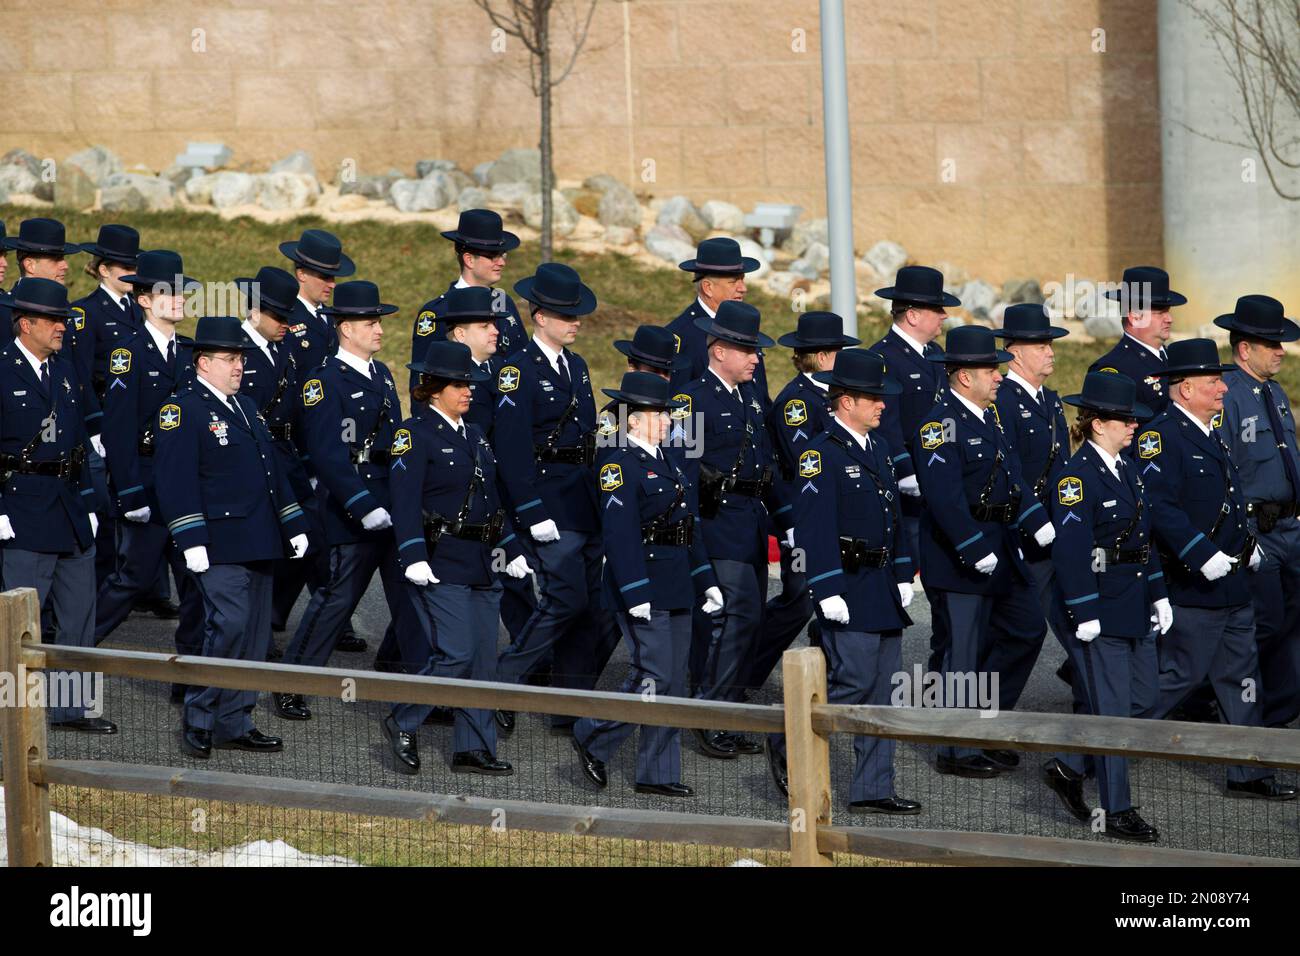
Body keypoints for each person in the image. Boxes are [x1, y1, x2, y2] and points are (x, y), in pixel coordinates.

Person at [1139, 338, 1296, 800]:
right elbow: (1159, 506)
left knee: (1242, 678)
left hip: (1233, 584)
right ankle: (1081, 757)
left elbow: (1228, 504)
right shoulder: (1161, 437)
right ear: (1185, 388)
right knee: (1176, 678)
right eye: (1213, 382)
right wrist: (1199, 552)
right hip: (1194, 585)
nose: (1223, 389)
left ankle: (1248, 773)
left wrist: (1246, 548)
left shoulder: (1209, 431)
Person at [765, 349, 920, 815]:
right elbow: (813, 527)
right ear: (845, 401)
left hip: (880, 586)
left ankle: (873, 787)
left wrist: (902, 571)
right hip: (847, 585)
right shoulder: (819, 454)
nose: (882, 406)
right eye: (873, 398)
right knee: (850, 682)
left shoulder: (879, 449)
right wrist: (826, 588)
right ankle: (788, 742)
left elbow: (894, 518)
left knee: (883, 687)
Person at [155, 316, 309, 759]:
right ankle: (200, 717)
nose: (238, 366)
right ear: (202, 362)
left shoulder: (245, 407)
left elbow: (271, 474)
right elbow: (174, 479)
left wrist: (293, 524)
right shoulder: (183, 410)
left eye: (240, 357)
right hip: (218, 543)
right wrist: (190, 538)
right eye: (228, 358)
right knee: (228, 627)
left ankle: (235, 720)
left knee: (255, 636)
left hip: (258, 538)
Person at [381, 341, 532, 776]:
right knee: (455, 653)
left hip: (482, 561)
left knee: (484, 657)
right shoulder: (414, 433)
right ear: (433, 388)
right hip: (439, 559)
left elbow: (491, 503)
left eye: (469, 383)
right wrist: (412, 554)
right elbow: (404, 500)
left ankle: (473, 747)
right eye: (459, 384)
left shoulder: (475, 434)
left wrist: (512, 549)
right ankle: (404, 718)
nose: (468, 390)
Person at [570, 372, 722, 796]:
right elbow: (619, 535)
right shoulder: (618, 463)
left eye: (668, 415)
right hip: (641, 584)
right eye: (658, 415)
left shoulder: (670, 460)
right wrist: (635, 592)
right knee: (651, 674)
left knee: (672, 681)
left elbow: (687, 526)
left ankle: (657, 773)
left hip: (675, 580)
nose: (667, 422)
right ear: (633, 420)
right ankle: (593, 733)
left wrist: (705, 579)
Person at [912, 326, 1053, 778]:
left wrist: (1040, 523)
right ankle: (956, 746)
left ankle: (984, 725)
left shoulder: (986, 417)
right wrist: (971, 547)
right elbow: (944, 496)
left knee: (1027, 629)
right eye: (989, 369)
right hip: (960, 556)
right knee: (962, 652)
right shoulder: (938, 424)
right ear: (963, 376)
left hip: (1004, 547)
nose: (999, 375)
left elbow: (1012, 478)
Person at [276, 282, 420, 720]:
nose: (379, 330)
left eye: (379, 322)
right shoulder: (324, 382)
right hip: (350, 507)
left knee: (410, 596)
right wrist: (361, 503)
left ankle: (415, 683)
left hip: (390, 503)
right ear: (345, 329)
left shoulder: (381, 375)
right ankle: (290, 684)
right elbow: (327, 455)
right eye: (370, 323)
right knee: (336, 600)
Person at [493, 263, 618, 735]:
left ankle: (570, 701)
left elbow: (588, 435)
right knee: (563, 599)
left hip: (581, 497)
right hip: (546, 497)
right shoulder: (516, 371)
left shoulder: (577, 366)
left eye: (578, 314)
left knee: (589, 604)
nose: (576, 322)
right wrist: (529, 509)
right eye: (567, 314)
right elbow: (511, 446)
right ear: (540, 316)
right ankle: (502, 681)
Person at [1046, 371, 1168, 842]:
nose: (1133, 426)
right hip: (1098, 605)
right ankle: (1117, 810)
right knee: (1114, 710)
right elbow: (1070, 550)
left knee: (1144, 698)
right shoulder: (1075, 478)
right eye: (1123, 419)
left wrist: (1158, 593)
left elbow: (1145, 540)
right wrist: (1084, 610)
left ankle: (1069, 765)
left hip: (1132, 601)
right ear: (1098, 424)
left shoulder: (1128, 469)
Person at [0, 278, 115, 733]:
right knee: (22, 624)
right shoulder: (3, 369)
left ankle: (72, 709)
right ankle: (15, 716)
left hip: (68, 508)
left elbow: (79, 443)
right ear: (26, 324)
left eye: (63, 320)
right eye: (53, 321)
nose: (62, 328)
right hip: (21, 509)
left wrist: (89, 499)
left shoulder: (65, 370)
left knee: (77, 616)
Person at [680, 300, 782, 759]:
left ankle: (729, 712)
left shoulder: (750, 397)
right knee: (731, 620)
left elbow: (768, 466)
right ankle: (709, 714)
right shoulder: (693, 400)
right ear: (719, 350)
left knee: (749, 621)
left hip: (750, 523)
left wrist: (789, 523)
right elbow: (682, 474)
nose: (756, 358)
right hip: (717, 524)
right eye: (747, 350)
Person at [94, 251, 204, 667]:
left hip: (184, 484)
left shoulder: (189, 352)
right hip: (146, 477)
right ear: (143, 299)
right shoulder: (130, 353)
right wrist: (130, 491)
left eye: (180, 292)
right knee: (132, 579)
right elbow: (117, 430)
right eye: (166, 292)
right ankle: (72, 653)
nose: (178, 299)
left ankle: (188, 677)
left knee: (194, 582)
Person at [745, 311, 860, 696]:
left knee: (826, 600)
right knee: (798, 599)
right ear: (824, 356)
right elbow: (807, 463)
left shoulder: (830, 397)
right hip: (803, 518)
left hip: (838, 516)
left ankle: (824, 674)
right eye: (839, 350)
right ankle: (744, 675)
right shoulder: (798, 403)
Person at [985, 303, 1074, 763]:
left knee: (1073, 619)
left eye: (1051, 343)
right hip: (1019, 534)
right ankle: (982, 725)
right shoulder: (1004, 401)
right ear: (1014, 351)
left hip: (1054, 531)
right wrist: (1034, 520)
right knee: (1020, 630)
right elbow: (1009, 471)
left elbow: (1060, 467)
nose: (1050, 352)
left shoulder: (1049, 400)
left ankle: (1089, 699)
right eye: (1041, 345)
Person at [1217, 295, 1300, 728]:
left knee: (1291, 622)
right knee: (1263, 624)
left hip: (1291, 527)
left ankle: (1280, 713)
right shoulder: (1227, 394)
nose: (1282, 350)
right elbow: (1222, 469)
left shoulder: (1277, 392)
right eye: (1272, 343)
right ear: (1245, 348)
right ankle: (1236, 708)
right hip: (1257, 530)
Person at [234, 266, 320, 644]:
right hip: (252, 457)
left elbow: (297, 407)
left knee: (311, 535)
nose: (286, 323)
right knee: (263, 547)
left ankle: (271, 616)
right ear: (255, 312)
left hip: (286, 454)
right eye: (278, 316)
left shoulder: (282, 347)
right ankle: (255, 636)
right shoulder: (234, 350)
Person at [409, 208, 526, 388]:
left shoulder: (503, 302)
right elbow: (423, 383)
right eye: (492, 256)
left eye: (502, 254)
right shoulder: (437, 312)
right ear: (469, 260)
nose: (501, 262)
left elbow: (521, 362)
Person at [666, 237, 770, 408]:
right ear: (708, 287)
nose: (743, 288)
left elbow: (760, 395)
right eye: (733, 281)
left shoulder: (744, 325)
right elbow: (678, 406)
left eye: (743, 279)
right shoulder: (681, 335)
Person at [1088, 266, 1185, 425]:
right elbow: (1112, 436)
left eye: (1168, 311)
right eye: (1160, 312)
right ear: (1135, 317)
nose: (1169, 319)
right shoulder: (1115, 369)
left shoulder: (1174, 358)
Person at [278, 228, 354, 375]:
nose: (332, 285)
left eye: (333, 278)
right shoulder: (285, 318)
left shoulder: (332, 317)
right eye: (325, 277)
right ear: (302, 274)